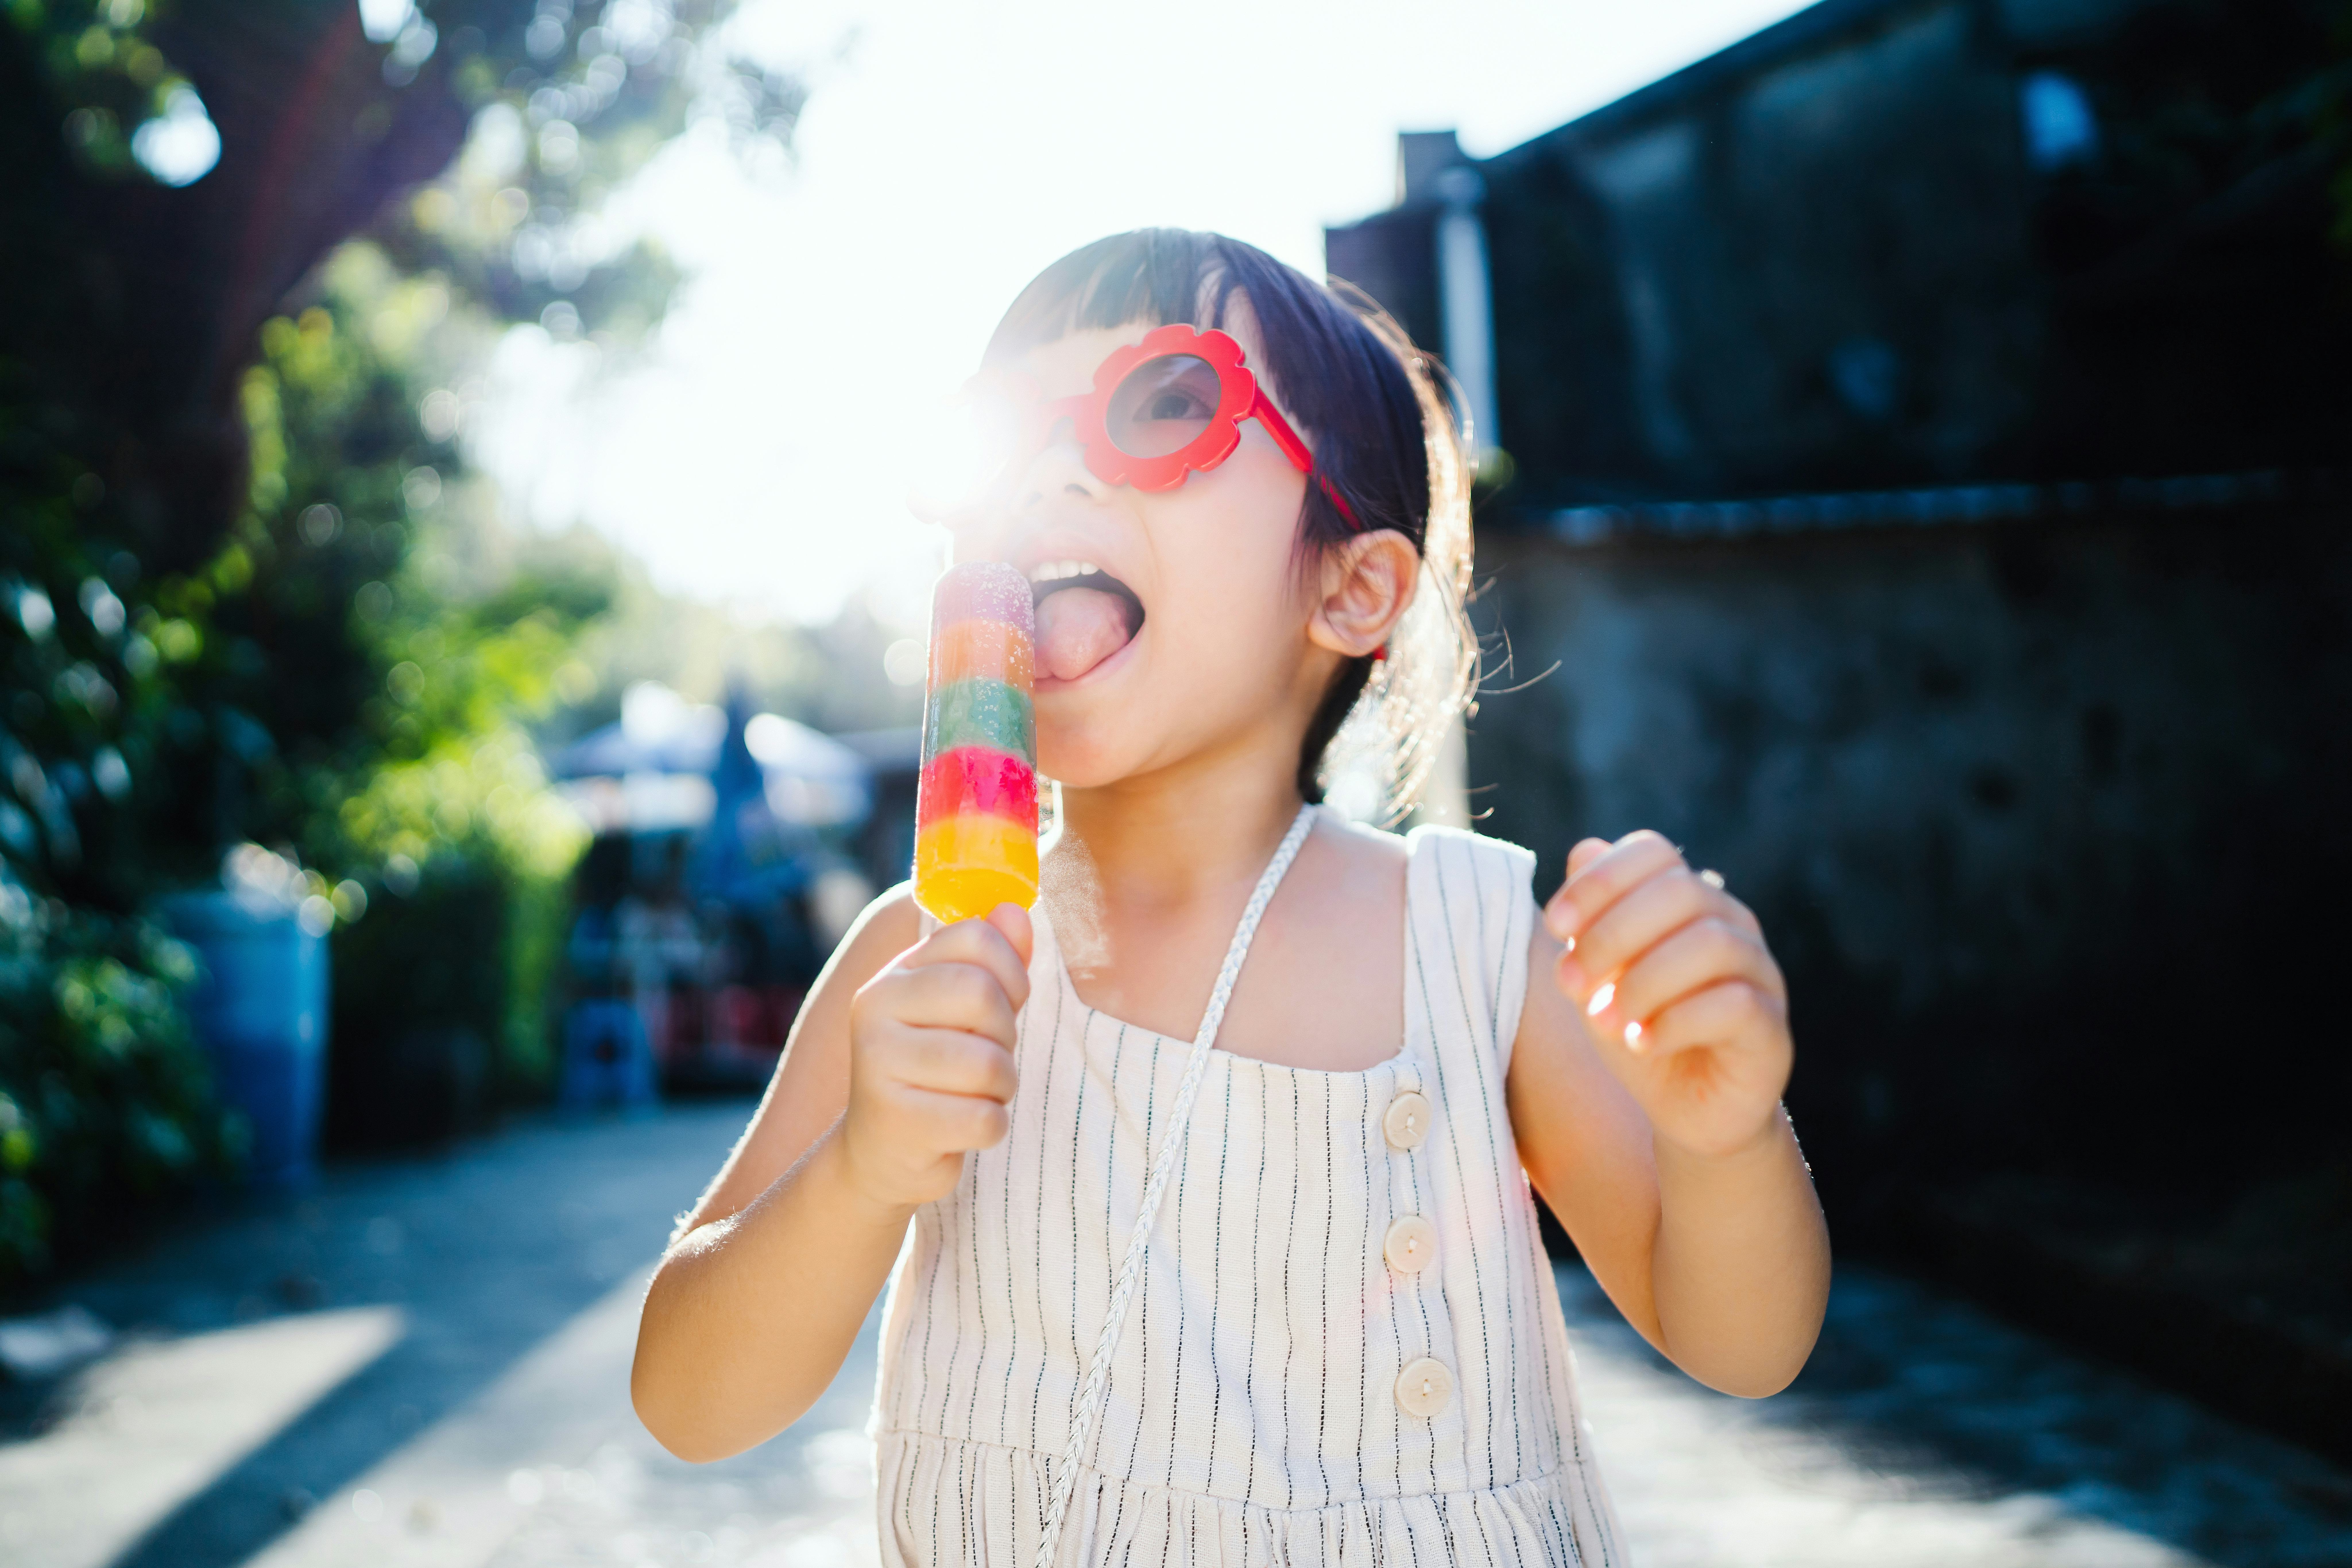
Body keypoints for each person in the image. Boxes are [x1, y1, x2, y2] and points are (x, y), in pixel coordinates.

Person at [632, 230, 1831, 1567]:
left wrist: (1721, 1139)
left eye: (1162, 406)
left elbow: (1739, 1345)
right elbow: (686, 1400)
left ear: (1349, 585)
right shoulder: (920, 951)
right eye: (1004, 434)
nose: (1049, 474)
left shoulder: (1472, 945)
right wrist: (854, 1170)